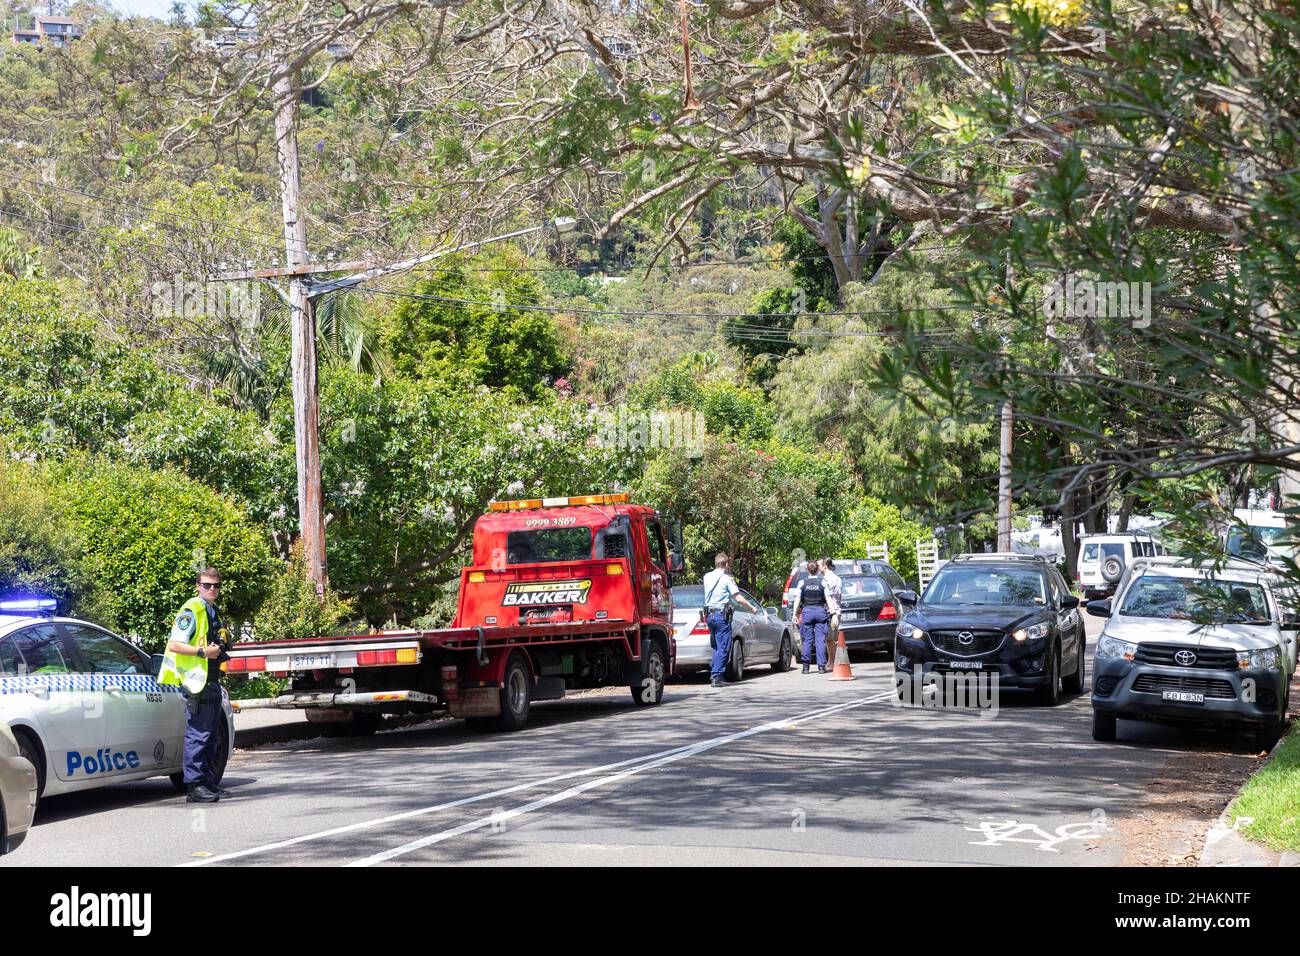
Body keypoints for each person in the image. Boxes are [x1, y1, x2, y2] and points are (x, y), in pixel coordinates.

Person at [160, 567, 232, 803]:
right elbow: (175, 645)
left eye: (215, 585)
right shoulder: (191, 610)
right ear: (198, 586)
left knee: (211, 735)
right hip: (194, 682)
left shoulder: (212, 610)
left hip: (209, 680)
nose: (211, 589)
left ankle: (208, 782)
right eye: (206, 585)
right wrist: (204, 652)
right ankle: (194, 786)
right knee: (198, 735)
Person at [701, 553, 757, 688]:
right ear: (726, 564)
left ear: (716, 563)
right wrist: (752, 607)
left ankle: (715, 673)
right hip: (720, 616)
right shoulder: (727, 579)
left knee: (716, 646)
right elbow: (737, 597)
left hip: (710, 615)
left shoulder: (707, 577)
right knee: (724, 647)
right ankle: (716, 676)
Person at [792, 560, 829, 673]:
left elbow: (797, 599)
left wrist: (794, 614)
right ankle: (821, 667)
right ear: (817, 569)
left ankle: (805, 667)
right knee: (820, 640)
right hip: (820, 612)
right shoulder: (823, 582)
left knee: (807, 640)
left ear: (808, 570)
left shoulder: (802, 583)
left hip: (807, 612)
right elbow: (828, 598)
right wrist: (832, 611)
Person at [821, 557, 843, 659]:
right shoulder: (837, 578)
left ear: (824, 566)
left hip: (831, 611)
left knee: (831, 639)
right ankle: (831, 661)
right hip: (836, 610)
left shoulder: (827, 579)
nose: (818, 568)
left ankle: (833, 662)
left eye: (819, 565)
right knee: (830, 638)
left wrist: (833, 614)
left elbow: (828, 597)